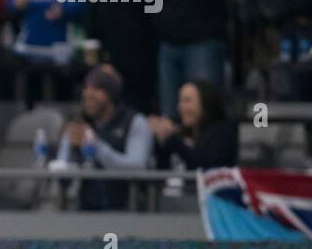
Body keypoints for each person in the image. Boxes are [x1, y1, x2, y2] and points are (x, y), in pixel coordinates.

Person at [55, 67, 153, 211]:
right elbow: (62, 177)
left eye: (96, 89)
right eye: (87, 89)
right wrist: (68, 148)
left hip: (127, 214)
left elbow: (137, 167)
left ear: (110, 95)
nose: (89, 93)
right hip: (86, 214)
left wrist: (96, 148)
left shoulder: (134, 122)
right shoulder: (78, 124)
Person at [148, 80, 238, 170]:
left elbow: (205, 167)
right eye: (180, 101)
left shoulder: (222, 134)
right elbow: (162, 171)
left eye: (187, 101)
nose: (180, 107)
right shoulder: (181, 131)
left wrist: (173, 140)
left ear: (205, 103)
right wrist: (161, 142)